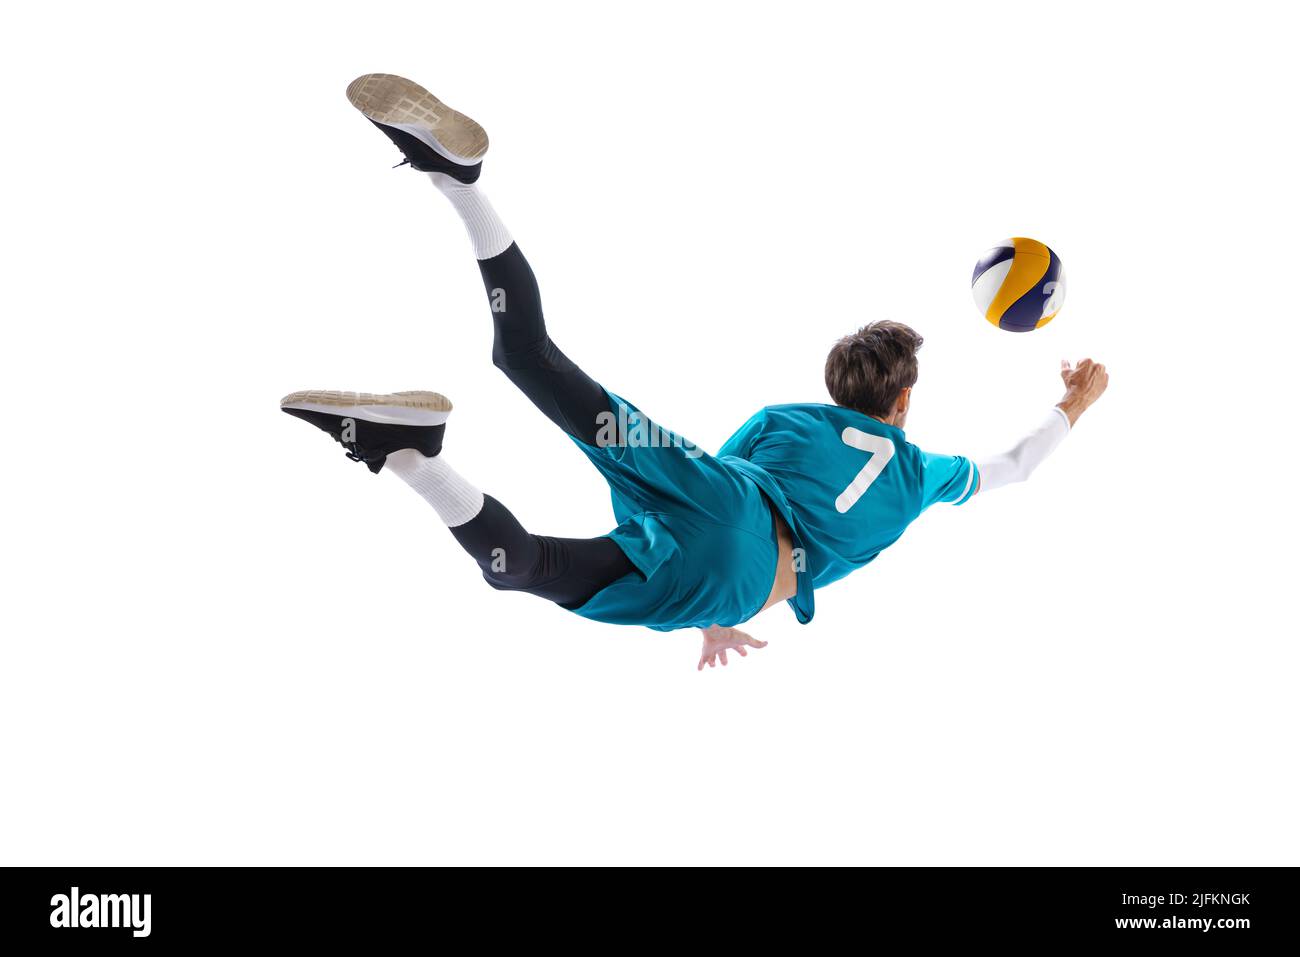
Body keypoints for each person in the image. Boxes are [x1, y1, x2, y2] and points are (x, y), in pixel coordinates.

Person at [281, 73, 1110, 671]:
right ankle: (411, 456)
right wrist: (1074, 401)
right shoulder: (927, 473)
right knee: (524, 568)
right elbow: (1017, 467)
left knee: (528, 356)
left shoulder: (787, 421)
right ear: (903, 398)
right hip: (737, 581)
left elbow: (697, 488)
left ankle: (456, 188)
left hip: (717, 506)